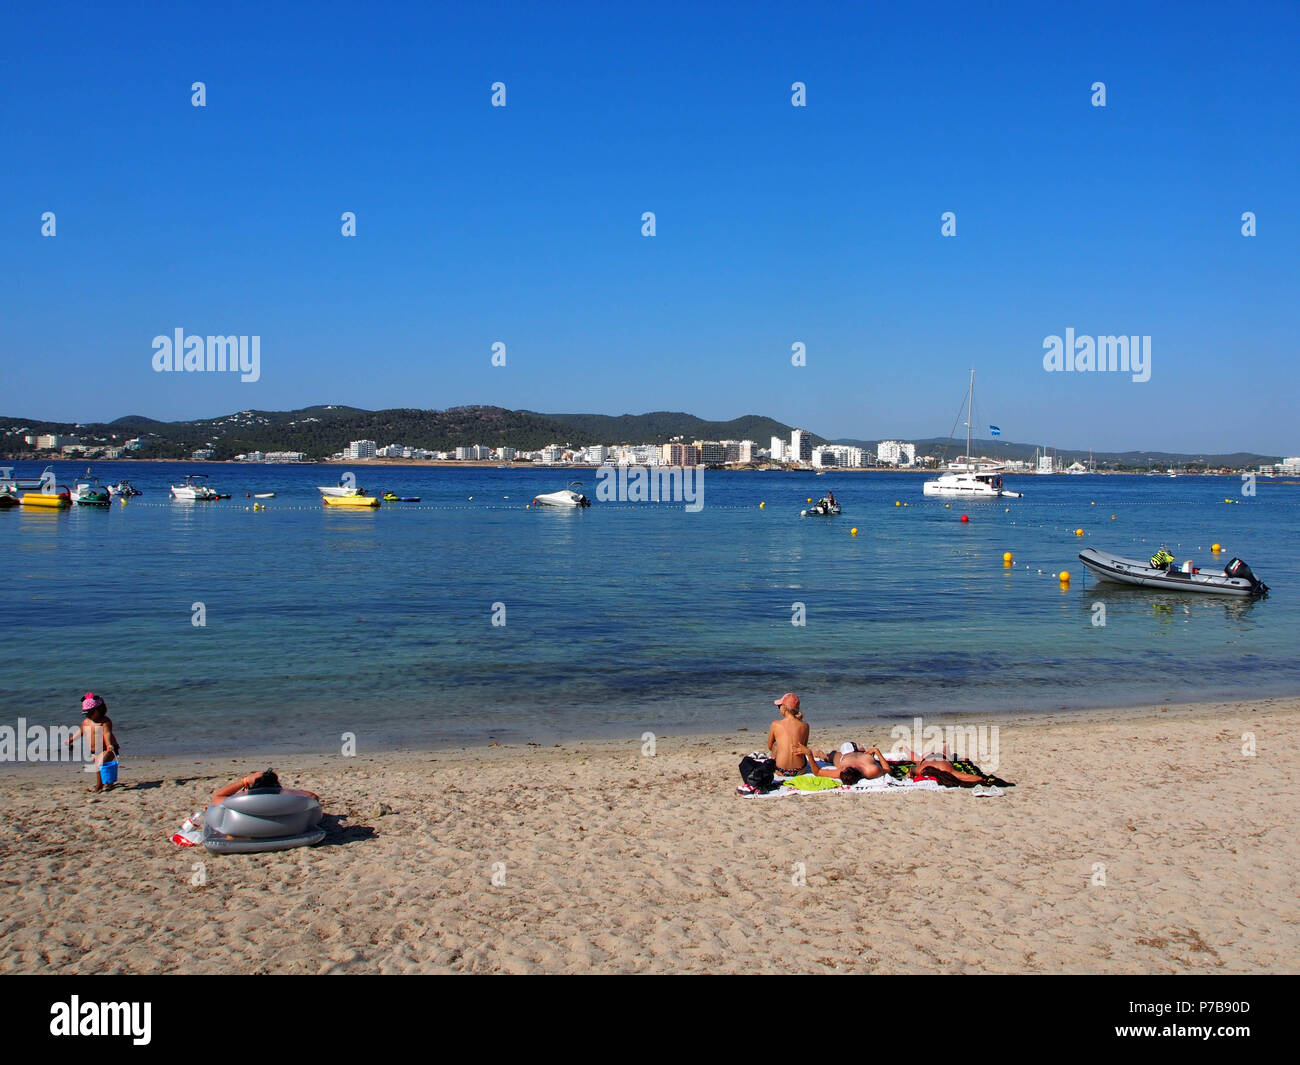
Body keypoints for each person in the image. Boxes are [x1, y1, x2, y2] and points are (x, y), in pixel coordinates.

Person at [66, 692, 120, 792]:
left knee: (100, 764)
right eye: (86, 714)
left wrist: (109, 744)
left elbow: (107, 733)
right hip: (95, 751)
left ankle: (99, 785)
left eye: (91, 713)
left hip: (108, 748)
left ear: (100, 710)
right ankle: (108, 782)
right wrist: (71, 739)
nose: (89, 716)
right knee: (100, 767)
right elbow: (80, 732)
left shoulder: (105, 721)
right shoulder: (86, 722)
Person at [793, 741, 893, 785]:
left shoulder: (841, 771)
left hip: (845, 753)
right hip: (860, 751)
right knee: (833, 756)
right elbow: (888, 771)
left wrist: (810, 754)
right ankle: (821, 754)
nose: (842, 768)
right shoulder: (871, 770)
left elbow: (817, 772)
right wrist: (876, 751)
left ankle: (820, 754)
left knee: (830, 757)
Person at [211, 768, 319, 806]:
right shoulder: (286, 801)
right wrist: (285, 790)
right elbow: (313, 797)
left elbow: (217, 796)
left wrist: (245, 780)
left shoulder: (241, 803)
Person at [767, 693, 810, 775]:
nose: (779, 708)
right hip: (799, 770)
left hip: (781, 770)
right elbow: (803, 747)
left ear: (784, 708)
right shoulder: (805, 726)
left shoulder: (775, 724)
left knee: (776, 746)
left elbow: (770, 747)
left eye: (779, 706)